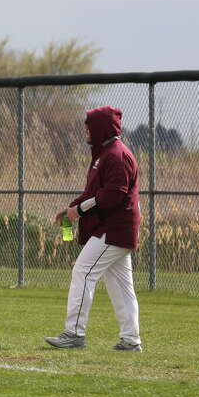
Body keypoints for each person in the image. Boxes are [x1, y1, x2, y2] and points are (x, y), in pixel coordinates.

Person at [45, 105, 143, 352]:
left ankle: (74, 334)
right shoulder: (105, 153)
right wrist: (72, 208)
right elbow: (94, 192)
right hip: (114, 229)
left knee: (83, 271)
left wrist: (78, 211)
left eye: (89, 125)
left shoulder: (116, 154)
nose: (85, 130)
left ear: (101, 128)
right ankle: (131, 341)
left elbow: (112, 195)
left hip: (114, 229)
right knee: (121, 286)